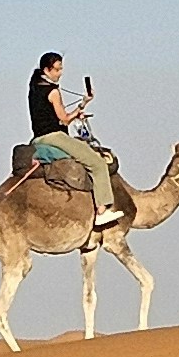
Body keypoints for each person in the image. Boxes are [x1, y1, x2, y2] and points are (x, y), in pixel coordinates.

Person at [26, 51, 126, 227]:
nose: (61, 73)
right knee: (97, 163)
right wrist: (80, 107)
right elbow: (63, 119)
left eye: (61, 68)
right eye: (57, 69)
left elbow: (52, 116)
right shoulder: (53, 91)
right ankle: (101, 211)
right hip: (54, 137)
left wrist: (79, 109)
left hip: (38, 138)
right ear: (47, 69)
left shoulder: (35, 87)